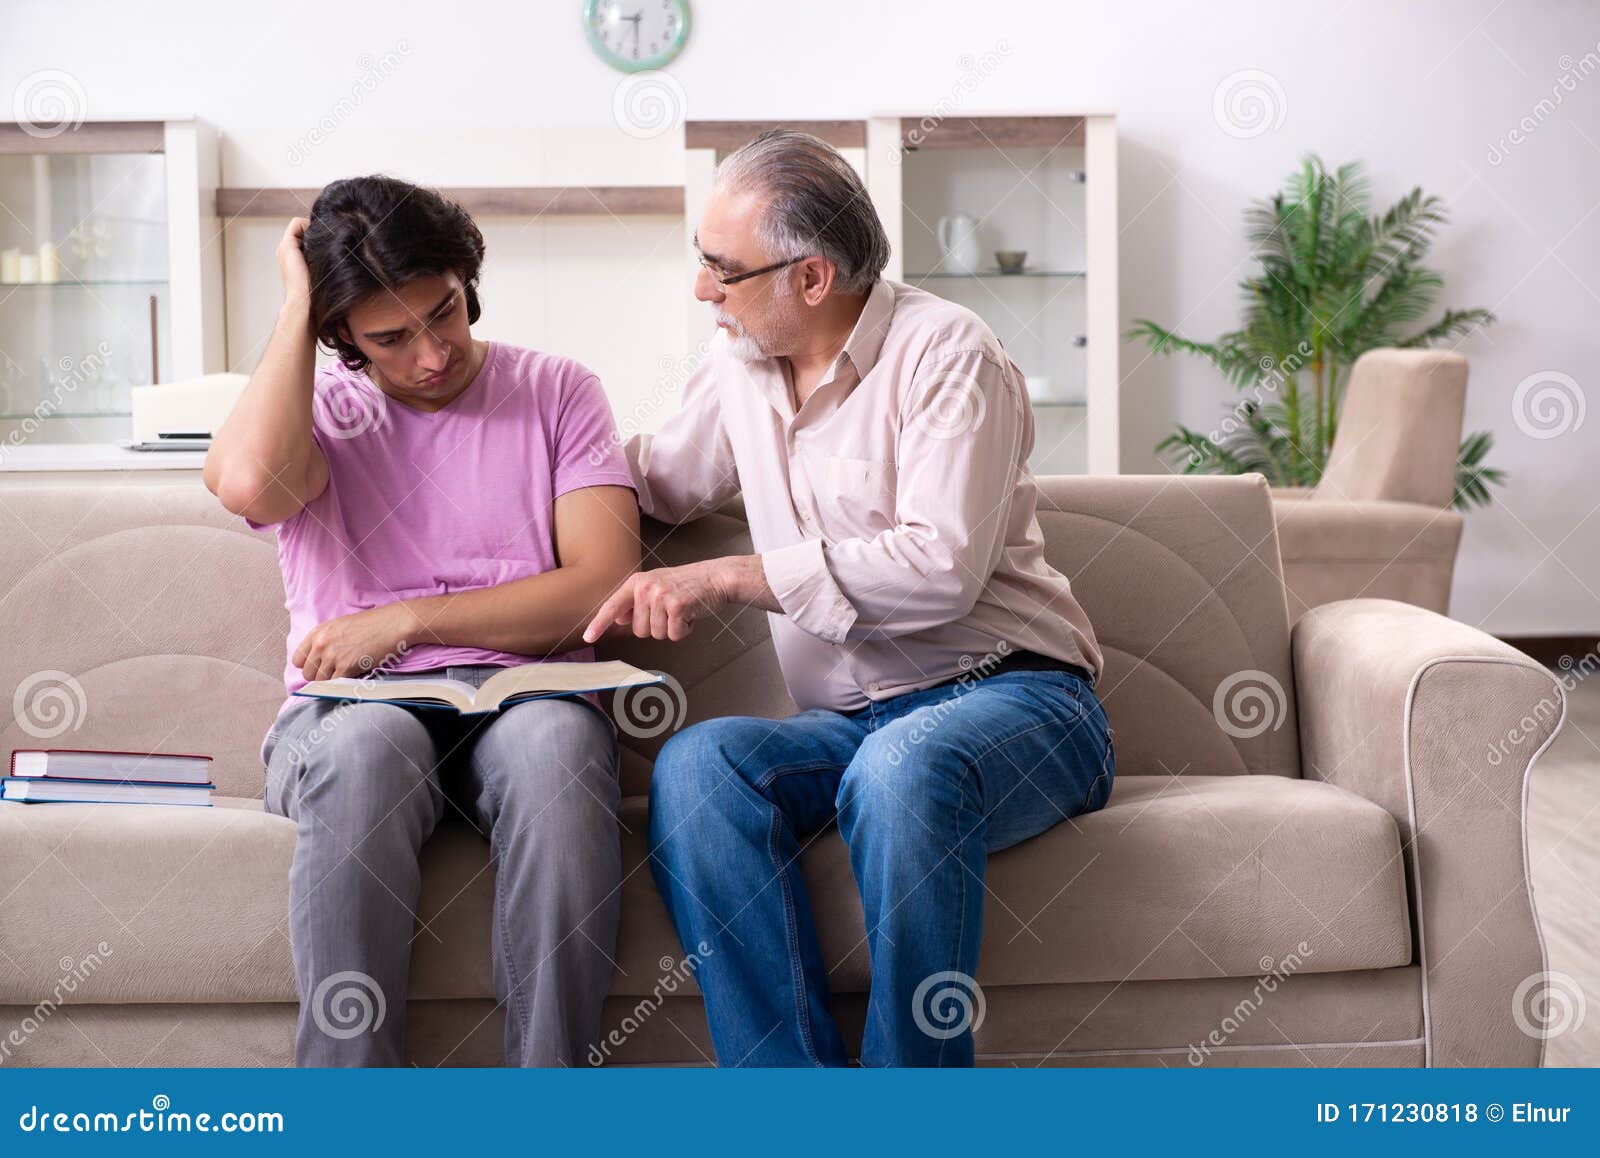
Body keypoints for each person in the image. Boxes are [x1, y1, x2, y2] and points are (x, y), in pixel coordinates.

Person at [584, 130, 1115, 1067]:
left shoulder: (949, 355)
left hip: (1019, 700)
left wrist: (730, 576)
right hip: (850, 726)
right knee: (699, 768)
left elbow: (941, 563)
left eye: (722, 268)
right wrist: (530, 458)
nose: (702, 289)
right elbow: (658, 480)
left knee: (902, 765)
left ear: (812, 277)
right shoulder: (740, 364)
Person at [205, 175, 639, 1066]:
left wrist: (404, 620)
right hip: (354, 711)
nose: (433, 355)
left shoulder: (558, 391)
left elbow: (601, 584)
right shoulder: (317, 411)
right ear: (341, 334)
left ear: (465, 279)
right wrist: (296, 309)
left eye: (444, 313)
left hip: (525, 697)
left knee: (557, 747)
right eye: (390, 338)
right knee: (369, 749)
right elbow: (248, 485)